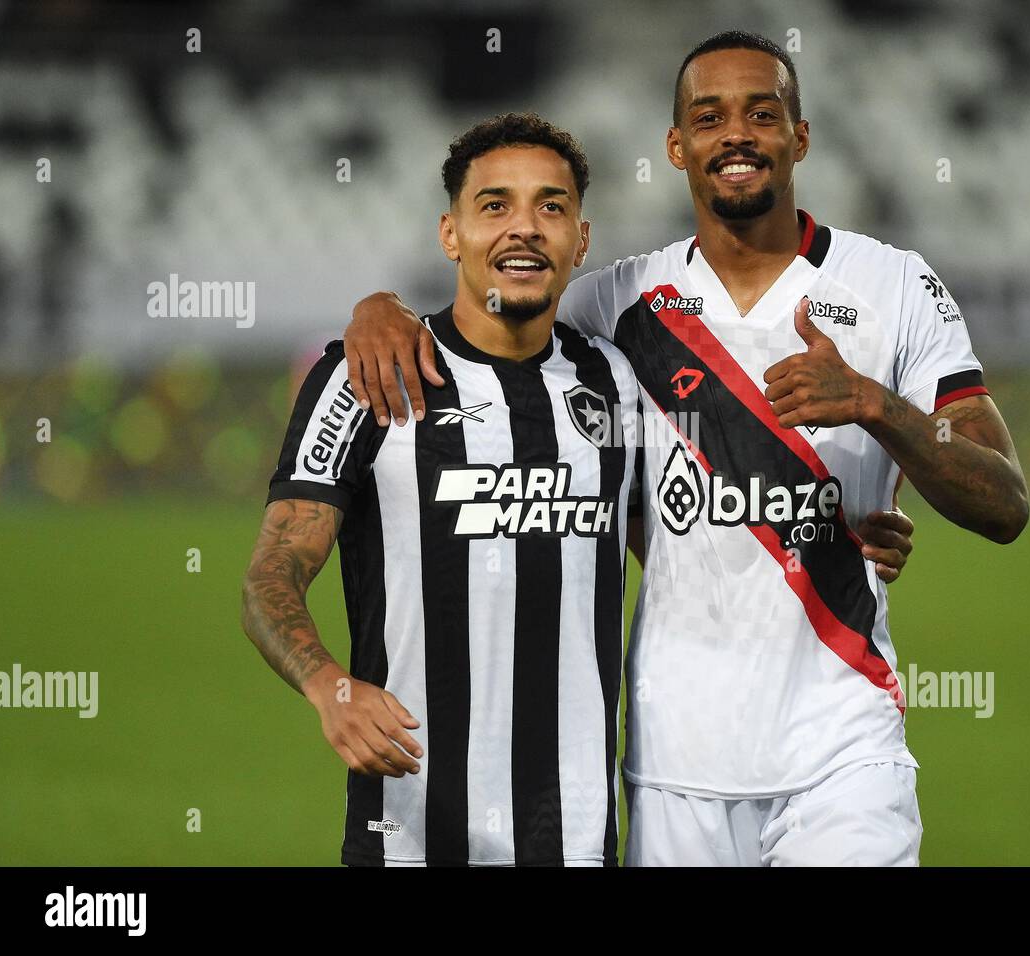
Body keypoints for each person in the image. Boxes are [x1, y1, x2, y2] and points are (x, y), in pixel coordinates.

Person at [343, 32, 983, 867]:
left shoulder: (893, 285)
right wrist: (379, 305)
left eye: (763, 112)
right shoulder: (619, 303)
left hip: (843, 746)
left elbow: (1001, 500)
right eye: (710, 117)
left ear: (801, 135)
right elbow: (490, 306)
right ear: (678, 146)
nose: (738, 135)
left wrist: (875, 405)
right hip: (674, 761)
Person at [241, 114, 643, 866]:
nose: (524, 228)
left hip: (577, 836)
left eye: (551, 207)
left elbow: (685, 542)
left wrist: (839, 531)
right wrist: (327, 685)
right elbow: (273, 571)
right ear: (450, 233)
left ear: (581, 241)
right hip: (408, 832)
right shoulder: (365, 378)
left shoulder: (616, 382)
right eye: (494, 206)